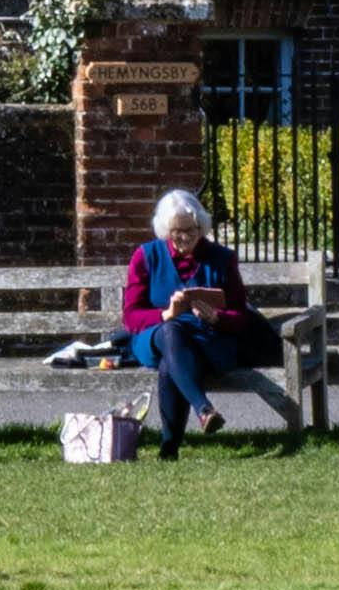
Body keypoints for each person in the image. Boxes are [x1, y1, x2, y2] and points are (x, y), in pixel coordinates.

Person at [124, 186, 306, 449]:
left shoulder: (221, 258)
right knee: (171, 331)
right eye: (177, 232)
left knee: (169, 365)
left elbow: (241, 315)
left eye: (192, 230)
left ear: (201, 226)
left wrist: (217, 318)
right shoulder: (146, 256)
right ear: (165, 230)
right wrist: (166, 314)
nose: (185, 238)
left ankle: (169, 448)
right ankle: (204, 408)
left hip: (208, 340)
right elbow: (131, 317)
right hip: (156, 336)